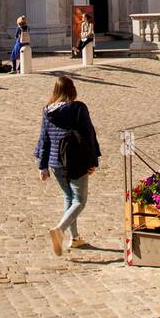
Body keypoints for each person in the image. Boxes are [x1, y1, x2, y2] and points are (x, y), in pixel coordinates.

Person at [34, 75, 100, 256]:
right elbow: (89, 135)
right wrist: (93, 161)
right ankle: (60, 230)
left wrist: (43, 166)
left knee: (68, 197)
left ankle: (75, 238)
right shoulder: (78, 108)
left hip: (56, 163)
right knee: (79, 200)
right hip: (76, 161)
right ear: (72, 90)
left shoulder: (47, 111)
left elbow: (44, 139)